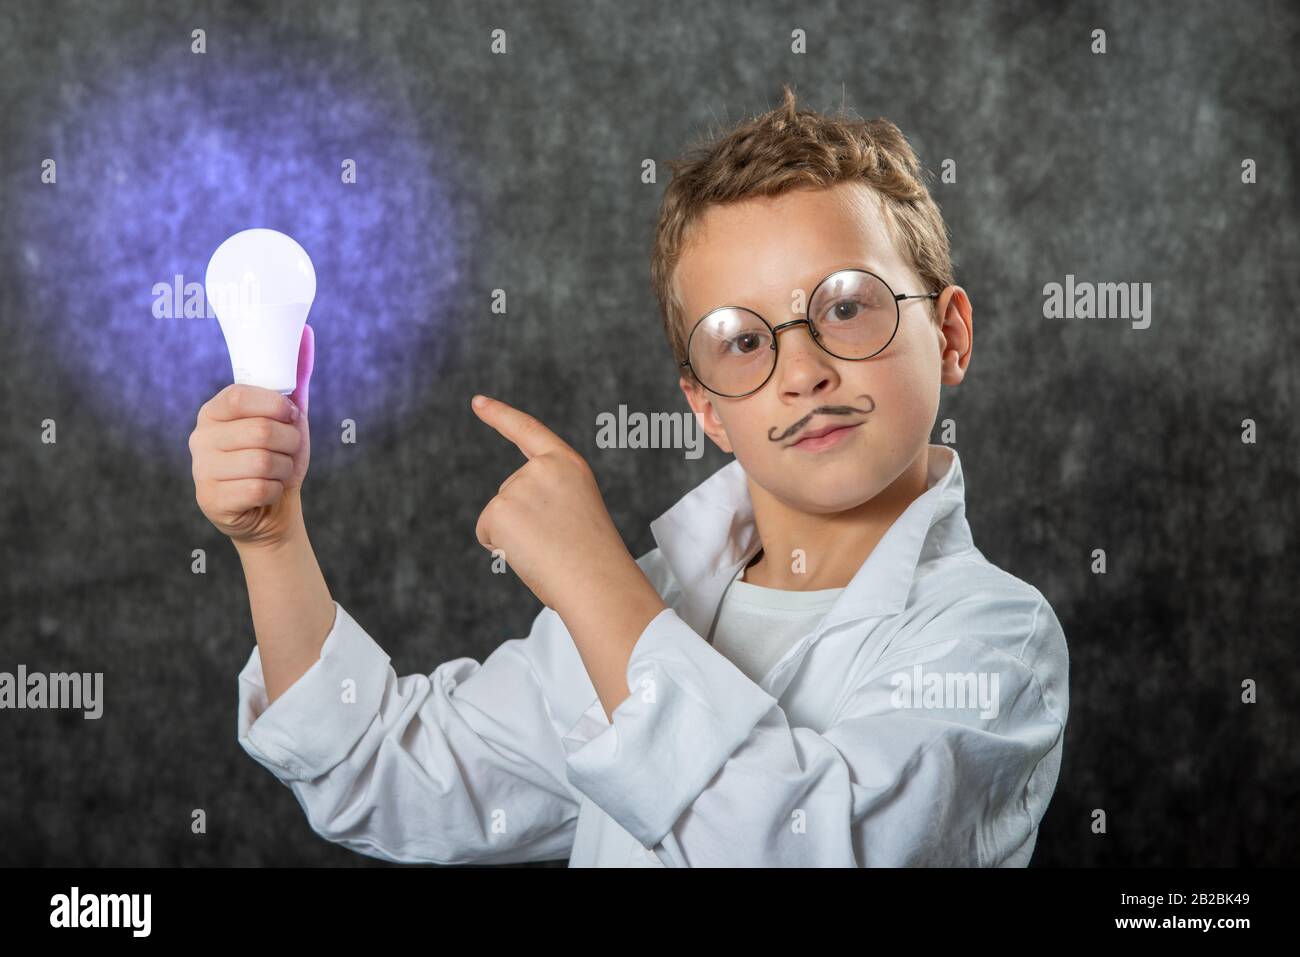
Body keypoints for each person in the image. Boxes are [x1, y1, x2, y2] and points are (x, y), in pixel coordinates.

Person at [189, 84, 1068, 866]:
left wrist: (591, 580)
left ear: (950, 334)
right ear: (708, 408)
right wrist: (271, 538)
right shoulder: (658, 600)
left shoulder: (993, 639)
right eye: (743, 338)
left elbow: (790, 845)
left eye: (845, 305)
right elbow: (384, 771)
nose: (801, 371)